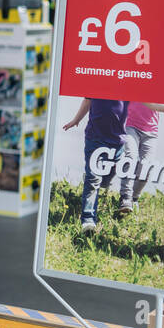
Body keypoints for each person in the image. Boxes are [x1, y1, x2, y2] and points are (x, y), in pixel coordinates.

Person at [62, 97, 129, 232]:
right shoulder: (97, 84)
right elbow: (87, 100)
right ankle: (88, 220)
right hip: (95, 137)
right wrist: (76, 120)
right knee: (93, 180)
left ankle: (100, 181)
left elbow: (146, 101)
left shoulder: (128, 84)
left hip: (118, 141)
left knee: (105, 177)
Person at [118, 100, 164, 214]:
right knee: (130, 158)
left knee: (146, 167)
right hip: (130, 125)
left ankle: (134, 197)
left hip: (150, 131)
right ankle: (125, 197)